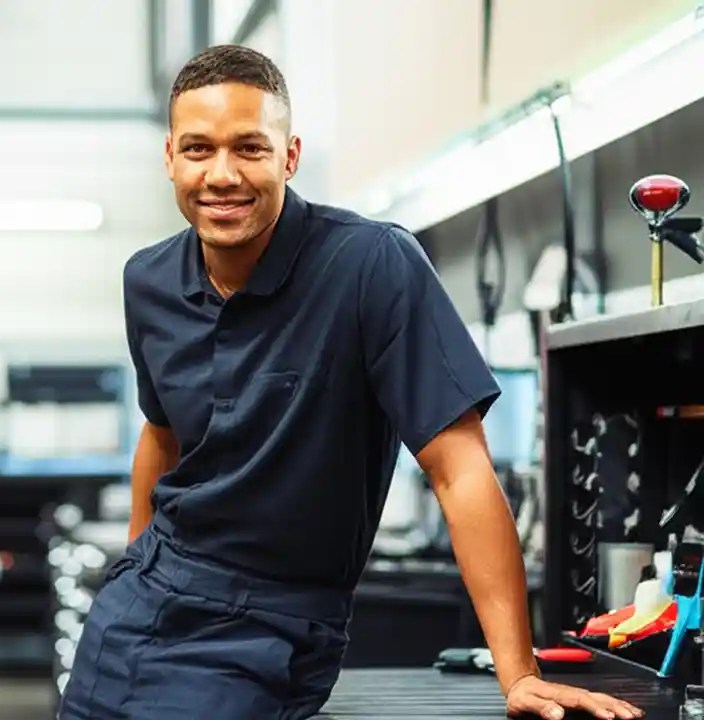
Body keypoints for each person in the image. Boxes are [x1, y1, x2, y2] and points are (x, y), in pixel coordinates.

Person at [57, 45, 643, 720]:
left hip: (268, 622)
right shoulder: (148, 279)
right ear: (170, 158)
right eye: (198, 149)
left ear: (290, 154)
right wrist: (133, 572)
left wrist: (517, 673)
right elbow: (160, 437)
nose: (222, 174)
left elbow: (460, 470)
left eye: (250, 147)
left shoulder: (372, 266)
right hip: (138, 606)